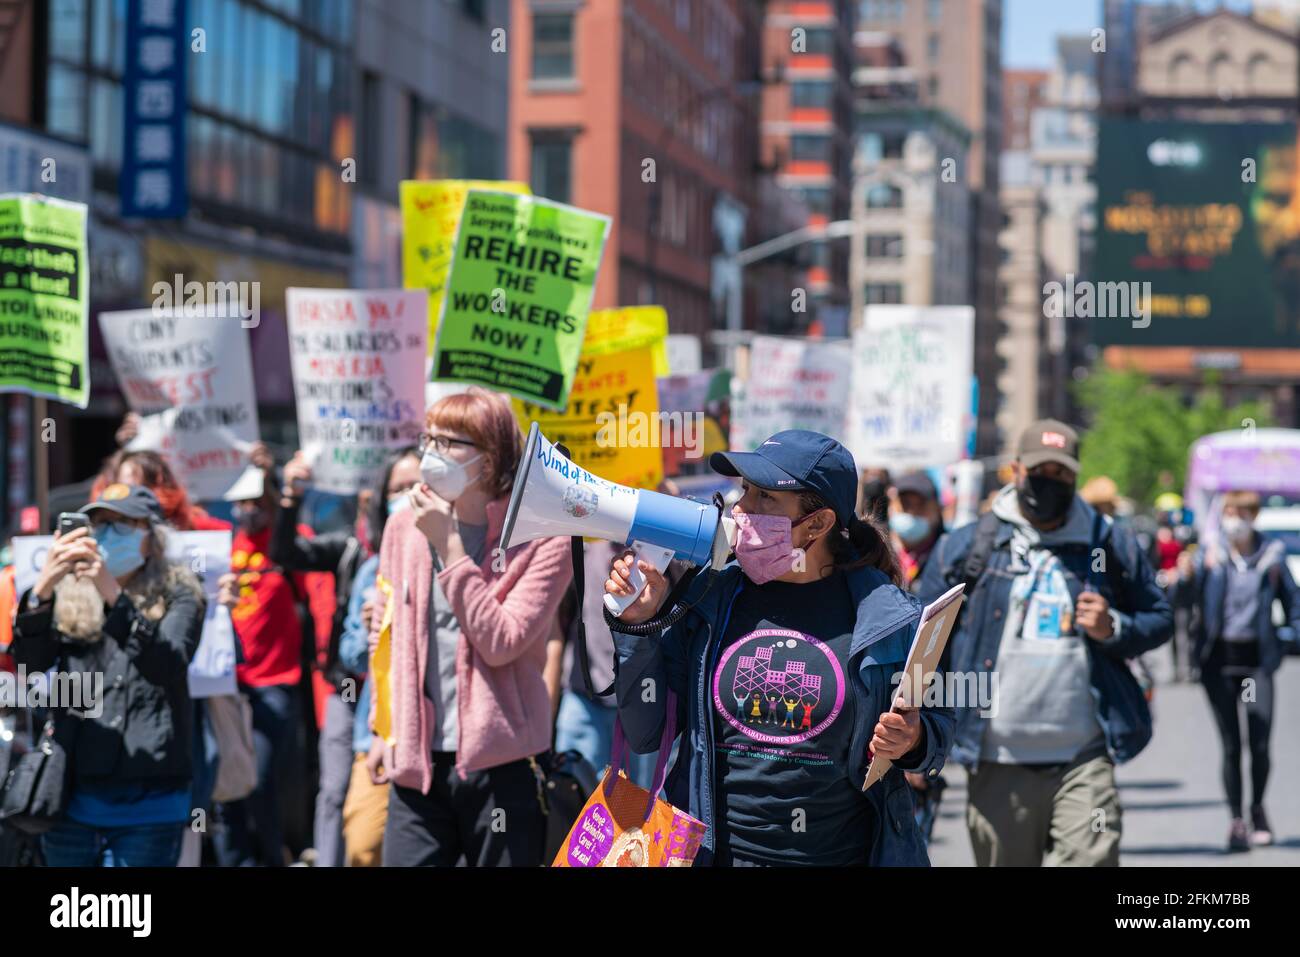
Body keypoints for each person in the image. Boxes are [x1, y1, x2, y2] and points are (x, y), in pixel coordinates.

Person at [607, 430, 954, 867]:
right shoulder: (707, 597)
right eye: (745, 490)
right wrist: (637, 629)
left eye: (766, 498)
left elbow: (941, 726)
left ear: (819, 523)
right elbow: (644, 733)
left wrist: (914, 738)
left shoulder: (891, 618)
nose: (742, 509)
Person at [917, 419, 1173, 867]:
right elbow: (923, 644)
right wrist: (919, 740)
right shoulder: (968, 546)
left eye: (1061, 474)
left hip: (1084, 756)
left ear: (1075, 476)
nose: (1049, 482)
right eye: (1040, 470)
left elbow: (1160, 618)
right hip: (994, 755)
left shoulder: (1108, 542)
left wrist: (1114, 628)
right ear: (1016, 470)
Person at [377, 387, 571, 867]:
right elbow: (386, 636)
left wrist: (451, 551)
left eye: (449, 442)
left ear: (488, 461)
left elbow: (502, 643)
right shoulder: (403, 527)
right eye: (429, 438)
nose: (431, 453)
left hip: (502, 767)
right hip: (417, 763)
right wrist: (381, 729)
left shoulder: (544, 537)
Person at [11, 484, 205, 866]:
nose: (108, 534)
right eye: (100, 524)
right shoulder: (69, 591)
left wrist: (112, 593)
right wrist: (42, 593)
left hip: (149, 801)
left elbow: (166, 664)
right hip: (72, 798)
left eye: (123, 524)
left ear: (151, 539)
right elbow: (29, 666)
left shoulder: (182, 591)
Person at [213, 464, 331, 867]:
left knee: (259, 779)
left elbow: (318, 602)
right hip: (227, 684)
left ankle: (272, 856)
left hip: (275, 683)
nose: (247, 509)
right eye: (240, 502)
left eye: (256, 501)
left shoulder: (287, 545)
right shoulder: (221, 547)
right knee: (227, 781)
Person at [268, 448, 379, 867]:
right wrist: (289, 497)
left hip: (402, 692)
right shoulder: (350, 550)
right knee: (333, 789)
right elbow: (286, 553)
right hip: (348, 686)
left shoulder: (433, 548)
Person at [1179, 490, 1299, 852]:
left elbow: (1295, 607)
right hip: (1220, 664)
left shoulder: (1273, 557)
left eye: (1242, 512)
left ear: (1254, 516)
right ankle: (1236, 820)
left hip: (1256, 663)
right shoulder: (1210, 556)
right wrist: (1187, 575)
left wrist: (1284, 639)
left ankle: (1258, 808)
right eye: (1230, 511)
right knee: (1231, 745)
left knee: (1258, 744)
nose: (1235, 518)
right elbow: (1180, 603)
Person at [336, 447, 421, 866]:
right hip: (377, 733)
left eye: (414, 485)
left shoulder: (455, 562)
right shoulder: (372, 572)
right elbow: (350, 656)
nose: (404, 495)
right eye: (397, 488)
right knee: (363, 845)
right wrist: (371, 627)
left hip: (433, 736)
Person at [886, 471, 947, 843]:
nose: (909, 511)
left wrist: (922, 737)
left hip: (929, 697)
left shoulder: (951, 555)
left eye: (917, 504)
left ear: (936, 508)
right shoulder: (874, 557)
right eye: (902, 504)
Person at [92, 448, 231, 532]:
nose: (134, 495)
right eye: (126, 488)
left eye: (143, 487)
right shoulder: (104, 532)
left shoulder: (193, 526)